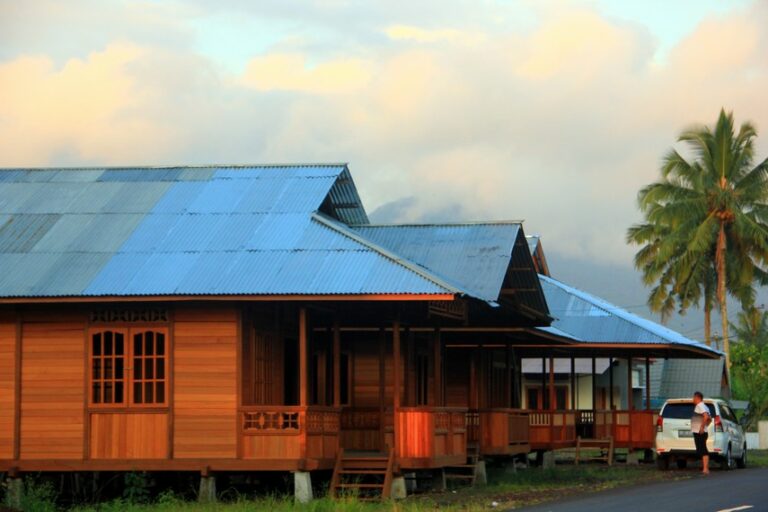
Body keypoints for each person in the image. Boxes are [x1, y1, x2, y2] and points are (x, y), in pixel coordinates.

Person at [691, 391, 711, 475]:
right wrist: (706, 425)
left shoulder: (700, 406)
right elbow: (710, 418)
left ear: (697, 398)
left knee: (703, 449)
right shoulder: (705, 406)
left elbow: (706, 417)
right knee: (701, 449)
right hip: (700, 431)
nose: (693, 399)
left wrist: (702, 427)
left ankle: (705, 469)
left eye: (693, 398)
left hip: (700, 431)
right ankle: (705, 468)